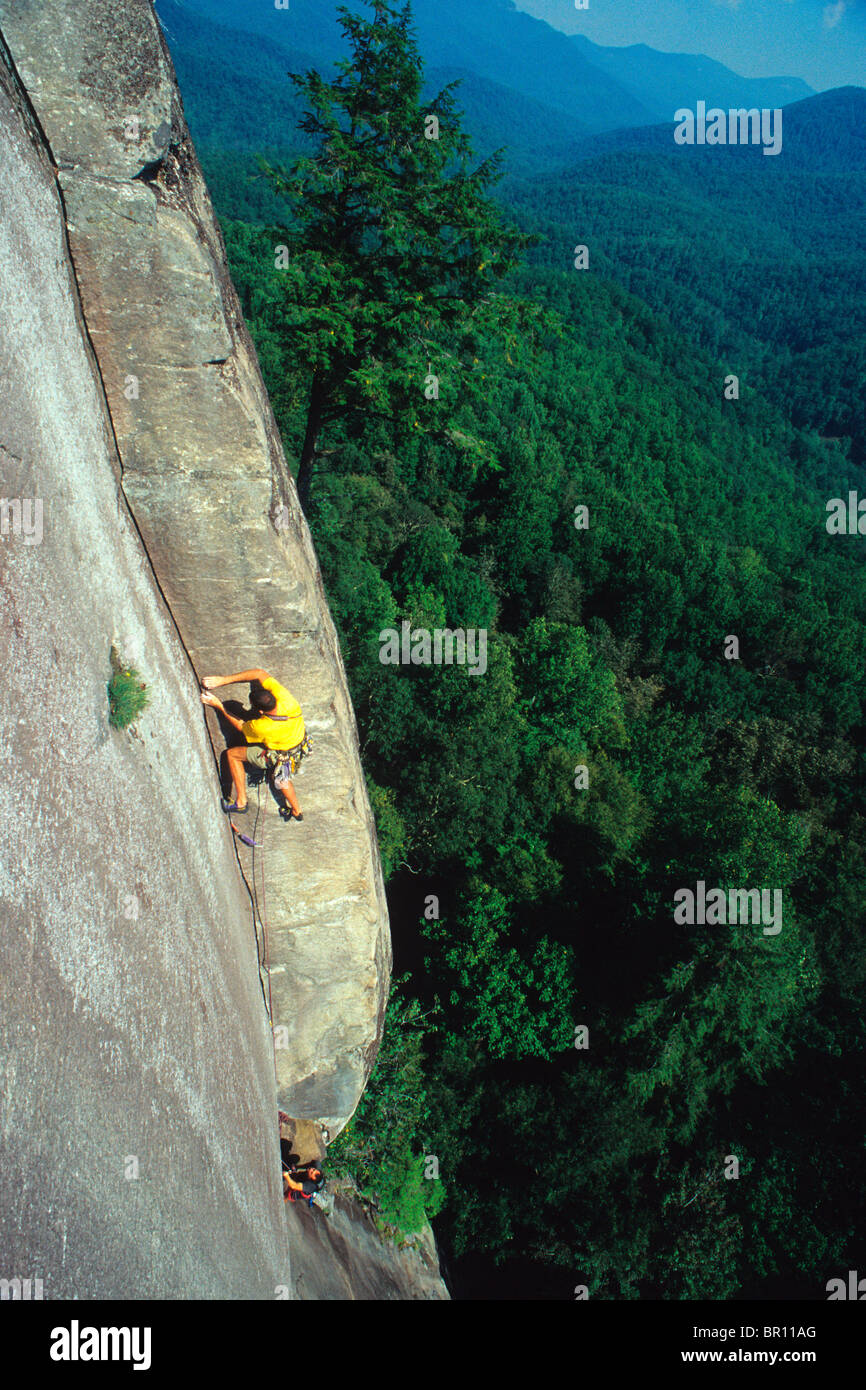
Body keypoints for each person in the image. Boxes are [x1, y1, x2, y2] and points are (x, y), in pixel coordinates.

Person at [200, 667, 306, 821]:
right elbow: (259, 673)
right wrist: (222, 681)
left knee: (232, 755)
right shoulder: (286, 700)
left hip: (276, 754)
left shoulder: (262, 726)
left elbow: (240, 726)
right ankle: (296, 811)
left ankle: (241, 802)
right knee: (282, 778)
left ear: (261, 713)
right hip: (296, 747)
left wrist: (218, 705)